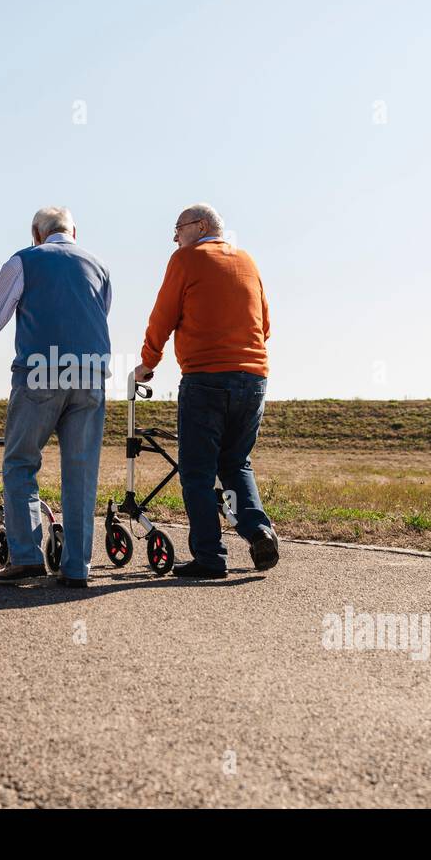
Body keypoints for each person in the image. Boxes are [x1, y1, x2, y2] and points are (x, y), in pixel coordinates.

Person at [0, 207, 111, 588]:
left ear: (37, 232)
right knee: (81, 471)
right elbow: (99, 313)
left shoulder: (25, 261)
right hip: (92, 374)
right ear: (74, 232)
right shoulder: (99, 265)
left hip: (41, 372)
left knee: (21, 462)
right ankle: (77, 567)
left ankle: (27, 556)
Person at [134, 203, 280, 579]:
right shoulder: (247, 260)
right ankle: (258, 531)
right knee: (236, 462)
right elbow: (265, 325)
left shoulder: (185, 260)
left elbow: (162, 316)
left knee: (197, 471)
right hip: (253, 378)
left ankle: (210, 558)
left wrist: (148, 362)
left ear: (200, 226)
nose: (175, 237)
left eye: (178, 228)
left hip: (205, 379)